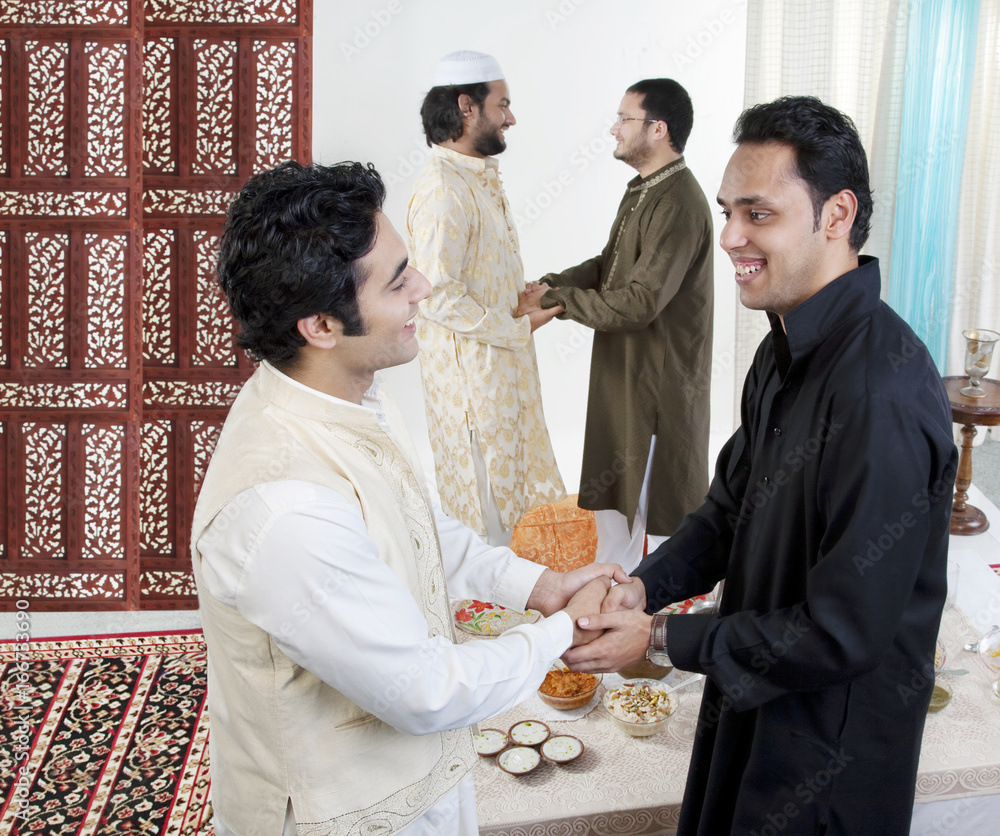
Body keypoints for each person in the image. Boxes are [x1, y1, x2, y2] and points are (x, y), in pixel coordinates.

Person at [191, 160, 625, 836]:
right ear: (321, 326)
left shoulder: (342, 390)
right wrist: (565, 634)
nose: (424, 287)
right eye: (399, 280)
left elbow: (416, 521)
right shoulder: (284, 509)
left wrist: (542, 585)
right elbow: (424, 692)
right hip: (341, 814)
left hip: (419, 778)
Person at [563, 96, 957, 835]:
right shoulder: (781, 350)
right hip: (750, 701)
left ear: (836, 215)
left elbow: (843, 631)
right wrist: (641, 590)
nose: (731, 237)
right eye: (726, 212)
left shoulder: (884, 391)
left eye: (759, 214)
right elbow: (726, 512)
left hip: (828, 755)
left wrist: (657, 639)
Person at [519, 78, 714, 571]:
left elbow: (640, 303)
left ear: (658, 129)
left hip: (654, 388)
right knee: (617, 512)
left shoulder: (677, 202)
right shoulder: (646, 191)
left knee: (646, 515)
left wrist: (558, 301)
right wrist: (549, 285)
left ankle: (635, 618)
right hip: (625, 373)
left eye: (624, 119)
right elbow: (609, 266)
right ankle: (613, 599)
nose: (614, 128)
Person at [407, 50, 565, 547]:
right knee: (488, 518)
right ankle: (493, 622)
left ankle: (523, 615)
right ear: (467, 107)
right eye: (504, 104)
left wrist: (523, 296)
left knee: (517, 509)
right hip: (473, 389)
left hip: (502, 375)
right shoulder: (442, 190)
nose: (511, 117)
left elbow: (478, 278)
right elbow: (436, 295)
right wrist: (520, 323)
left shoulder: (474, 176)